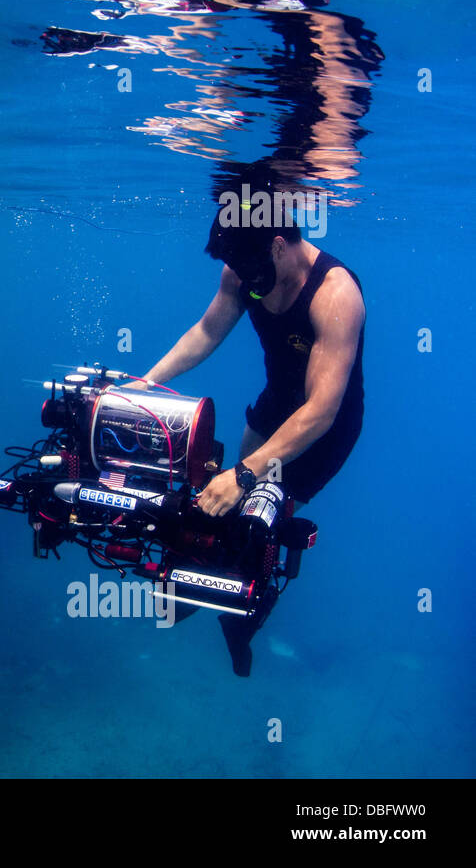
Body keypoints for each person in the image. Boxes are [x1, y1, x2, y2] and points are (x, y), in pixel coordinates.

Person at [127, 193, 365, 674]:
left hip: (328, 425)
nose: (243, 282)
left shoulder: (337, 295)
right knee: (221, 510)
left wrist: (244, 474)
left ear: (278, 246)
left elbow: (320, 411)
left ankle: (242, 624)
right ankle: (202, 583)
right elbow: (207, 332)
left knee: (261, 524)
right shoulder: (244, 267)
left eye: (248, 271)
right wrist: (144, 387)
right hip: (276, 402)